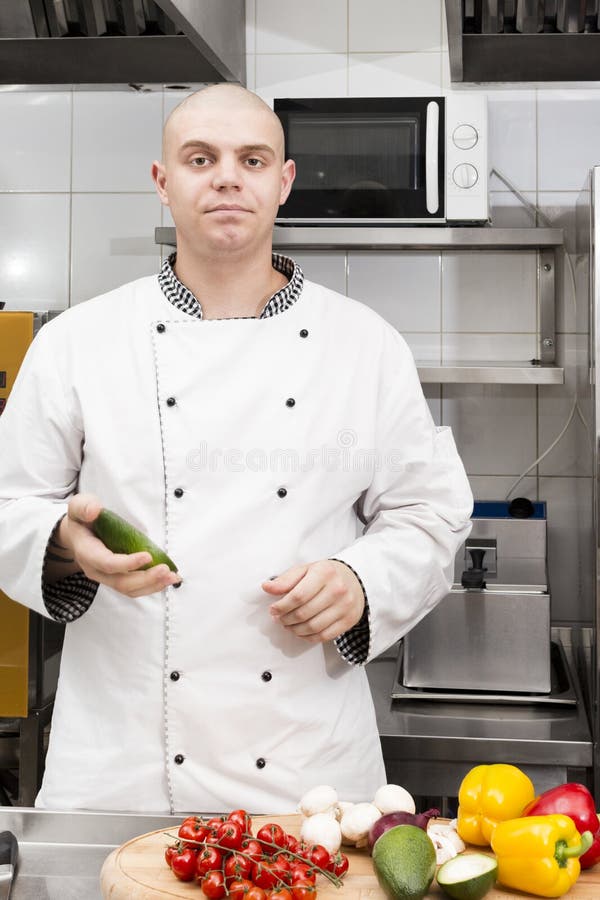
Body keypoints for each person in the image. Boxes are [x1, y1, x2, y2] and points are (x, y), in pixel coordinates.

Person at [0, 84, 473, 814]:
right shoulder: (77, 342)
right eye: (200, 159)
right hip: (125, 764)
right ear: (163, 182)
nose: (227, 178)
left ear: (283, 182)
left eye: (252, 160)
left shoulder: (365, 344)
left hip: (304, 768)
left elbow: (430, 513)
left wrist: (362, 579)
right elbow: (11, 503)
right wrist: (65, 545)